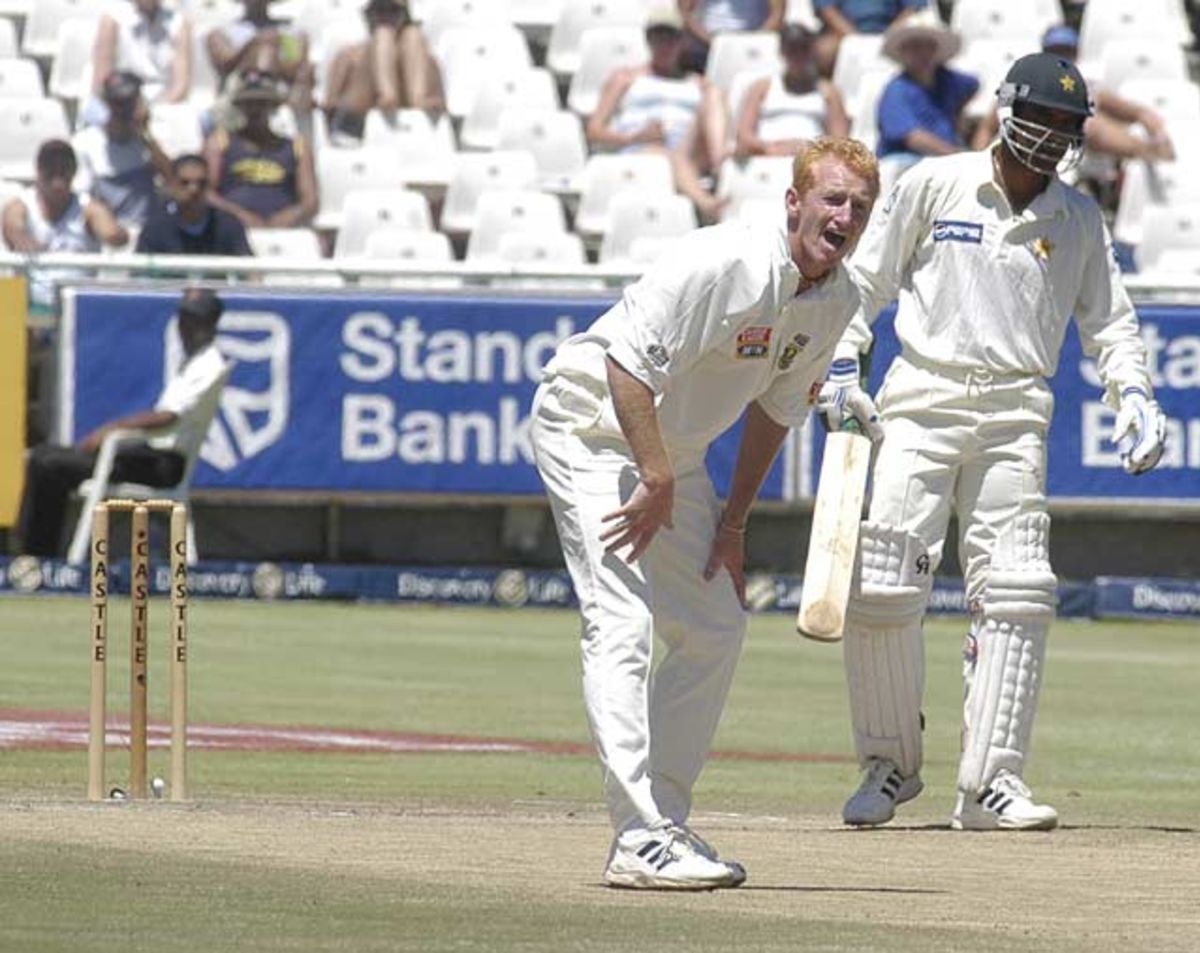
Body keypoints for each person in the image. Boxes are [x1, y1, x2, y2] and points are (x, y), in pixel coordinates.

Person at [821, 53, 1167, 833]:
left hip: (1016, 414)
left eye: (1066, 129)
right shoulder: (934, 184)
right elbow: (864, 283)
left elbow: (1108, 322)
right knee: (882, 583)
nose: (1050, 141)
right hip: (920, 400)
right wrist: (842, 362)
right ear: (1008, 110)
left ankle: (990, 783)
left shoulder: (1076, 219)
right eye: (1040, 120)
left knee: (1015, 591)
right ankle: (887, 766)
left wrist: (1135, 392)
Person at [530, 137, 880, 888]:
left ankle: (664, 815)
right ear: (795, 202)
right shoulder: (729, 262)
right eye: (831, 199)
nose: (844, 215)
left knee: (716, 623)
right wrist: (653, 473)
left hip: (670, 456)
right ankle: (636, 838)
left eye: (858, 206)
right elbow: (625, 361)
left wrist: (732, 524)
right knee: (621, 618)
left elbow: (776, 411)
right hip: (592, 427)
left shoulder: (839, 301)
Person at [15, 288, 229, 557]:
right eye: (182, 319)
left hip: (162, 463)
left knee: (49, 463)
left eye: (192, 321)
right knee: (45, 458)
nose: (184, 328)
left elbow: (168, 416)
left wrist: (112, 430)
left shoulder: (208, 365)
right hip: (149, 454)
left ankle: (34, 557)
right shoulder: (195, 362)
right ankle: (35, 554)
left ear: (209, 324)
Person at [970, 25, 1175, 205]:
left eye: (1066, 51)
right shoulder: (1019, 86)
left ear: (1076, 54)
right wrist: (979, 165)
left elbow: (1139, 113)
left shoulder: (1086, 88)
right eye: (1054, 50)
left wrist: (1156, 130)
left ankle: (1148, 152)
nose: (1060, 56)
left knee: (1089, 126)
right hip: (1011, 169)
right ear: (1043, 50)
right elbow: (988, 126)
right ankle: (1147, 152)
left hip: (1071, 180)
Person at [587, 7, 728, 222]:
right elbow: (594, 131)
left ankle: (721, 165)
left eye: (670, 38)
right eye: (657, 38)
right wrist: (634, 137)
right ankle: (705, 203)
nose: (663, 45)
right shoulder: (626, 78)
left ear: (683, 41)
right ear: (648, 40)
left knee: (714, 95)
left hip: (689, 151)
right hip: (641, 148)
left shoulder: (699, 85)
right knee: (667, 156)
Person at [1, 140, 127, 314]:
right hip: (30, 307)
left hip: (79, 307)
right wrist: (22, 239)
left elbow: (111, 233)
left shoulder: (88, 207)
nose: (57, 173)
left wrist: (113, 233)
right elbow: (12, 226)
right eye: (50, 166)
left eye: (64, 167)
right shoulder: (21, 204)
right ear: (38, 170)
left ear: (73, 171)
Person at [204, 70, 319, 230]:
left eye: (262, 103)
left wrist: (286, 217)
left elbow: (310, 200)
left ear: (272, 107)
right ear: (240, 107)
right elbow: (206, 192)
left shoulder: (296, 147)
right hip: (233, 226)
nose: (255, 110)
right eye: (249, 104)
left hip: (283, 228)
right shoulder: (219, 142)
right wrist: (238, 215)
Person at [874, 12, 977, 185]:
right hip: (907, 165)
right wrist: (959, 156)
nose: (922, 53)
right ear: (903, 51)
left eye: (928, 46)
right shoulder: (896, 90)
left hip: (946, 161)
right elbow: (914, 138)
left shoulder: (947, 78)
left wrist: (959, 115)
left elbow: (974, 85)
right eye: (914, 47)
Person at [323, 0, 444, 145]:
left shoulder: (424, 58)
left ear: (404, 16)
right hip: (358, 124)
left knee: (413, 36)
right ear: (368, 15)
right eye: (379, 10)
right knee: (383, 35)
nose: (385, 16)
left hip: (409, 127)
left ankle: (412, 98)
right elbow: (330, 104)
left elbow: (439, 103)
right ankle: (387, 94)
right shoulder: (350, 55)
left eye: (392, 11)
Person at [72, 71, 177, 229]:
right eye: (117, 103)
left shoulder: (153, 137)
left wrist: (144, 134)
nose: (123, 110)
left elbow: (174, 181)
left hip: (150, 232)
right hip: (113, 233)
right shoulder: (85, 143)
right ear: (106, 104)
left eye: (129, 102)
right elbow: (82, 198)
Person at [735, 24, 849, 159]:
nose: (798, 55)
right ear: (782, 52)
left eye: (803, 49)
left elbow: (840, 141)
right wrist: (770, 148)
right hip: (767, 159)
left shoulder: (829, 92)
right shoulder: (761, 88)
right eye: (792, 50)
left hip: (812, 161)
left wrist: (809, 149)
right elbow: (744, 135)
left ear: (812, 51)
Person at [207, 0, 315, 113]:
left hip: (282, 107)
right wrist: (253, 45)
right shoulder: (223, 31)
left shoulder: (291, 32)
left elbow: (294, 65)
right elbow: (224, 61)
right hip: (235, 107)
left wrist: (272, 47)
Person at [137, 154, 254, 256]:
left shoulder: (228, 225)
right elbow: (138, 275)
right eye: (184, 183)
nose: (194, 189)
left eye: (201, 183)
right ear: (172, 185)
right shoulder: (155, 228)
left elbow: (250, 271)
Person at [92, 0, 192, 106]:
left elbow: (180, 87)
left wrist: (154, 108)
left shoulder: (178, 23)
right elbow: (102, 78)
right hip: (121, 100)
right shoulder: (113, 20)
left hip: (163, 102)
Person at [813, 0, 927, 76]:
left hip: (891, 31)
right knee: (824, 53)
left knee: (924, 51)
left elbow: (914, 7)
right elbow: (827, 10)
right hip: (843, 32)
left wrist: (889, 34)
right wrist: (855, 37)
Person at [678, 0, 785, 73]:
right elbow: (686, 13)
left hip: (752, 46)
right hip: (706, 44)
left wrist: (751, 43)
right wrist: (710, 41)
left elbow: (777, 15)